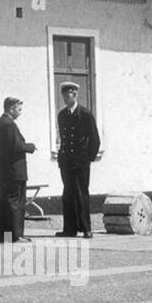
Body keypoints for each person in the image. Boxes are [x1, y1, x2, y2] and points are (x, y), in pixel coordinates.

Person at [56, 82, 101, 238]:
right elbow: (63, 139)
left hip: (80, 160)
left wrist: (88, 157)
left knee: (81, 194)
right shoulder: (62, 115)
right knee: (68, 194)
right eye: (63, 95)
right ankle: (70, 228)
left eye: (67, 95)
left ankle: (86, 228)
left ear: (75, 95)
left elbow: (94, 138)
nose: (64, 98)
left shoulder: (85, 114)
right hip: (66, 161)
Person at [0, 97, 36, 243]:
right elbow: (15, 146)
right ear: (11, 108)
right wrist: (30, 147)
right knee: (15, 204)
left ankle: (3, 236)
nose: (20, 113)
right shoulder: (9, 125)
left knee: (3, 202)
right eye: (19, 109)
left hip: (1, 171)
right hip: (13, 171)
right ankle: (16, 236)